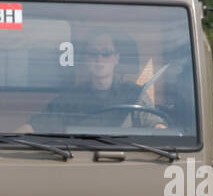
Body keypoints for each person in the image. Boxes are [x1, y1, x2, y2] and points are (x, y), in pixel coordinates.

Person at [19, 30, 147, 133]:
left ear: (116, 58)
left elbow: (155, 124)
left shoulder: (135, 94)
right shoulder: (71, 99)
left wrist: (160, 127)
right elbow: (37, 126)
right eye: (93, 53)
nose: (99, 59)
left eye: (106, 53)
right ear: (86, 59)